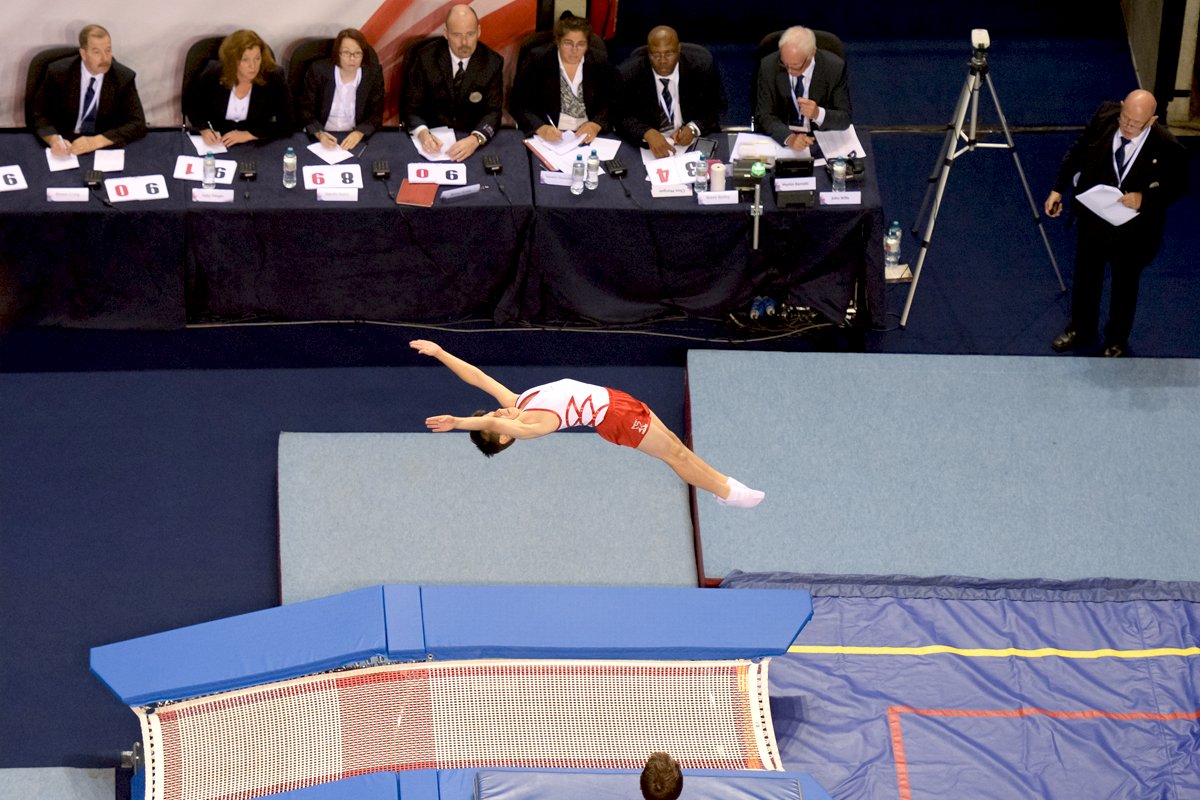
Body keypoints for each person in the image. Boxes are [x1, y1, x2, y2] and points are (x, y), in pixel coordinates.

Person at [411, 339, 764, 508]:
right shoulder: (533, 425)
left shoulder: (517, 403)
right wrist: (457, 422)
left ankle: (720, 485)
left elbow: (478, 377)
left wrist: (441, 353)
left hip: (617, 400)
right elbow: (490, 420)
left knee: (674, 442)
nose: (498, 413)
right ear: (505, 438)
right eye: (494, 422)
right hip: (616, 418)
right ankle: (727, 493)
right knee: (675, 455)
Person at [1044, 89, 1188, 358]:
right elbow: (1078, 151)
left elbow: (1180, 185)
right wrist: (1057, 189)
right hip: (1095, 218)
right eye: (1125, 118)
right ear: (1121, 107)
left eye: (1135, 123)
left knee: (1125, 284)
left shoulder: (1166, 145)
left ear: (1152, 120)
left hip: (1134, 231)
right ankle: (1081, 329)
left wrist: (1145, 198)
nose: (1127, 126)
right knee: (1086, 277)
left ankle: (1117, 340)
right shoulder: (1105, 117)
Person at [402, 4, 504, 162]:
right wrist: (423, 134)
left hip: (470, 138)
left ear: (479, 31)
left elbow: (493, 112)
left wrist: (475, 139)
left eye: (470, 34)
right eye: (457, 35)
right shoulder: (425, 58)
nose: (464, 42)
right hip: (431, 139)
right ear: (446, 33)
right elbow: (411, 108)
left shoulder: (492, 63)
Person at [29, 24, 146, 156]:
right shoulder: (58, 73)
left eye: (108, 50)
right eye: (97, 52)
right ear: (83, 54)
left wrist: (98, 141)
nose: (105, 58)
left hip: (101, 146)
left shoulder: (123, 77)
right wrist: (54, 140)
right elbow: (38, 113)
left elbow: (138, 124)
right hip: (66, 141)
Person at [615, 26, 724, 159]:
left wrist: (694, 128)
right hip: (648, 148)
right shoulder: (628, 73)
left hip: (692, 143)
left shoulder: (701, 67)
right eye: (656, 55)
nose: (663, 61)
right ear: (648, 53)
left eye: (669, 53)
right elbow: (620, 116)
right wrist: (646, 132)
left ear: (679, 49)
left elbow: (717, 107)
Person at [509, 14, 615, 145]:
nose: (574, 50)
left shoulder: (599, 61)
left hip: (590, 135)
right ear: (558, 42)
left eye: (581, 44)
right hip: (550, 135)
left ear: (588, 45)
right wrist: (540, 127)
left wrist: (596, 124)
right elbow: (517, 103)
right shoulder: (537, 59)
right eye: (568, 43)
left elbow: (613, 101)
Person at [185, 29, 292, 147]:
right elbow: (193, 108)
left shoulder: (274, 77)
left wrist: (249, 134)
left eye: (257, 58)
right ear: (233, 60)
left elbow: (288, 123)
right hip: (218, 142)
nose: (253, 66)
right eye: (245, 59)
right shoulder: (213, 73)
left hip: (256, 143)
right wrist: (204, 129)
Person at [754, 26, 851, 150]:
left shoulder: (834, 68)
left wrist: (818, 113)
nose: (788, 71)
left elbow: (844, 118)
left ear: (811, 54)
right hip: (781, 137)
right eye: (784, 63)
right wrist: (789, 138)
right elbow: (764, 114)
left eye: (795, 66)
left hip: (819, 138)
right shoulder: (768, 65)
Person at [299, 29, 385, 151]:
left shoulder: (373, 74)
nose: (352, 59)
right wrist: (319, 133)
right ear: (337, 53)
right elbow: (306, 112)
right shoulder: (318, 71)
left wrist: (360, 133)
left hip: (355, 138)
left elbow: (376, 115)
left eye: (357, 53)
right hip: (321, 137)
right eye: (346, 53)